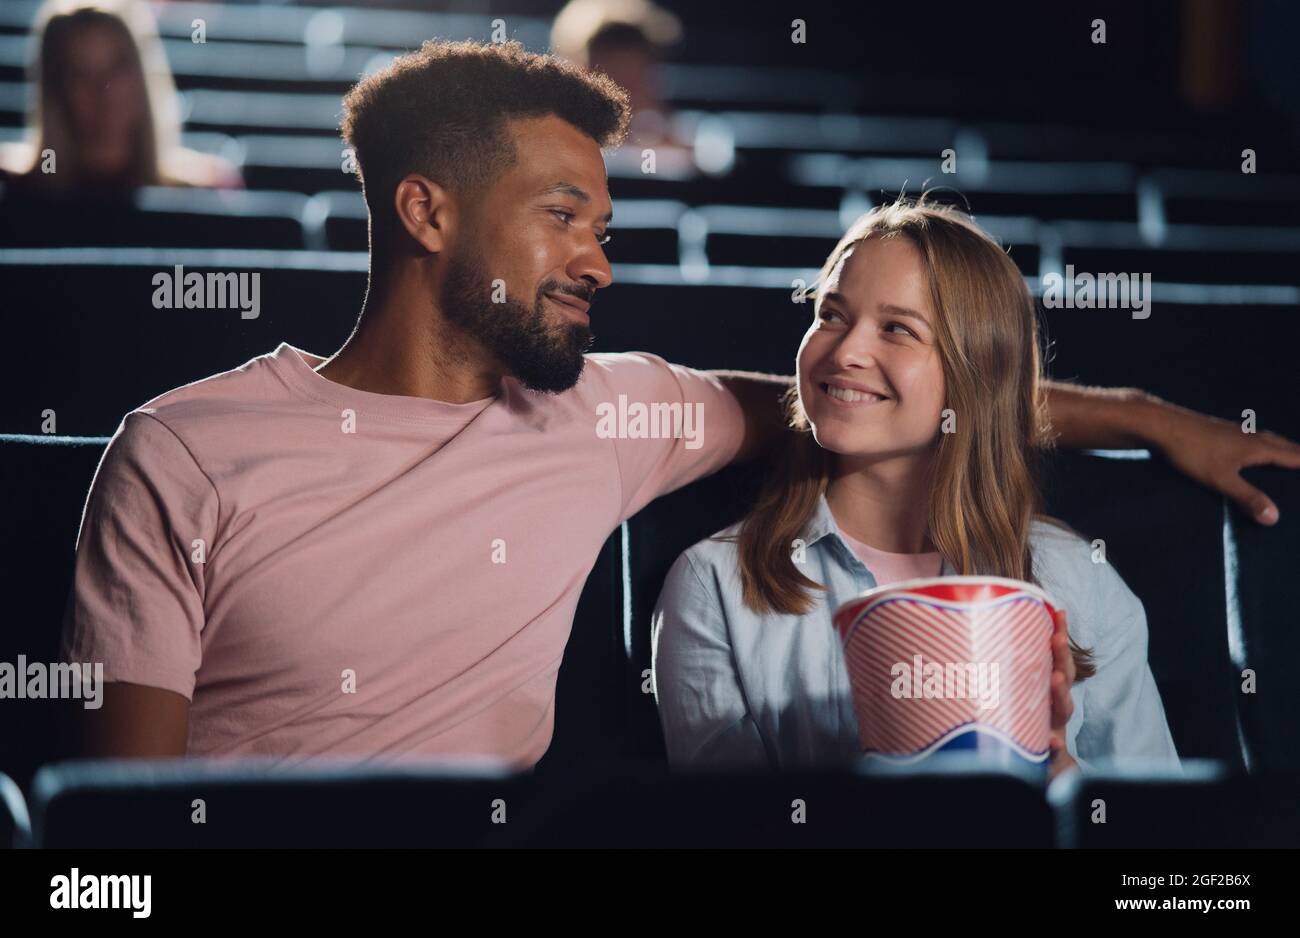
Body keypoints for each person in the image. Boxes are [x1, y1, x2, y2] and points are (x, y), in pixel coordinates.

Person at [62, 40, 1300, 766]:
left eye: (603, 227)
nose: (601, 263)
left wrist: (1145, 414)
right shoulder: (184, 450)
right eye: (562, 219)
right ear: (426, 212)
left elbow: (899, 401)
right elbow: (108, 854)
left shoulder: (608, 413)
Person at [651, 199, 1180, 777]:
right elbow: (724, 832)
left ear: (975, 370)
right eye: (830, 315)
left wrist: (1056, 783)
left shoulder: (1082, 581)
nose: (846, 351)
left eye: (897, 329)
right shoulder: (715, 586)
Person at [0, 0, 240, 194]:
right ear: (57, 88)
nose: (105, 89)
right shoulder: (12, 189)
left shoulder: (201, 192)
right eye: (80, 73)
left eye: (118, 66)